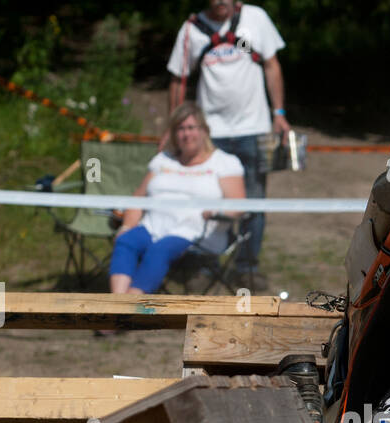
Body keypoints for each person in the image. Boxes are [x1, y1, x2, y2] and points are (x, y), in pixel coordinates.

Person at [166, 0, 289, 290]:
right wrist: (173, 125)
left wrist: (279, 113)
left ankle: (246, 268)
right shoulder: (192, 30)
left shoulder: (255, 18)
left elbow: (271, 65)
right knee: (207, 200)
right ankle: (205, 267)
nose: (221, 3)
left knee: (253, 203)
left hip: (254, 129)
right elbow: (178, 79)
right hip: (211, 133)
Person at [109, 104, 245, 296]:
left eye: (191, 128)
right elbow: (138, 199)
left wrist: (217, 212)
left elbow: (238, 205)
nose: (186, 134)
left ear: (204, 131)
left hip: (195, 231)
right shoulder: (163, 160)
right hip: (153, 226)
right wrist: (126, 227)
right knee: (126, 241)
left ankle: (127, 311)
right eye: (180, 129)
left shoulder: (224, 163)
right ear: (173, 134)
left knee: (159, 250)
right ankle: (116, 306)